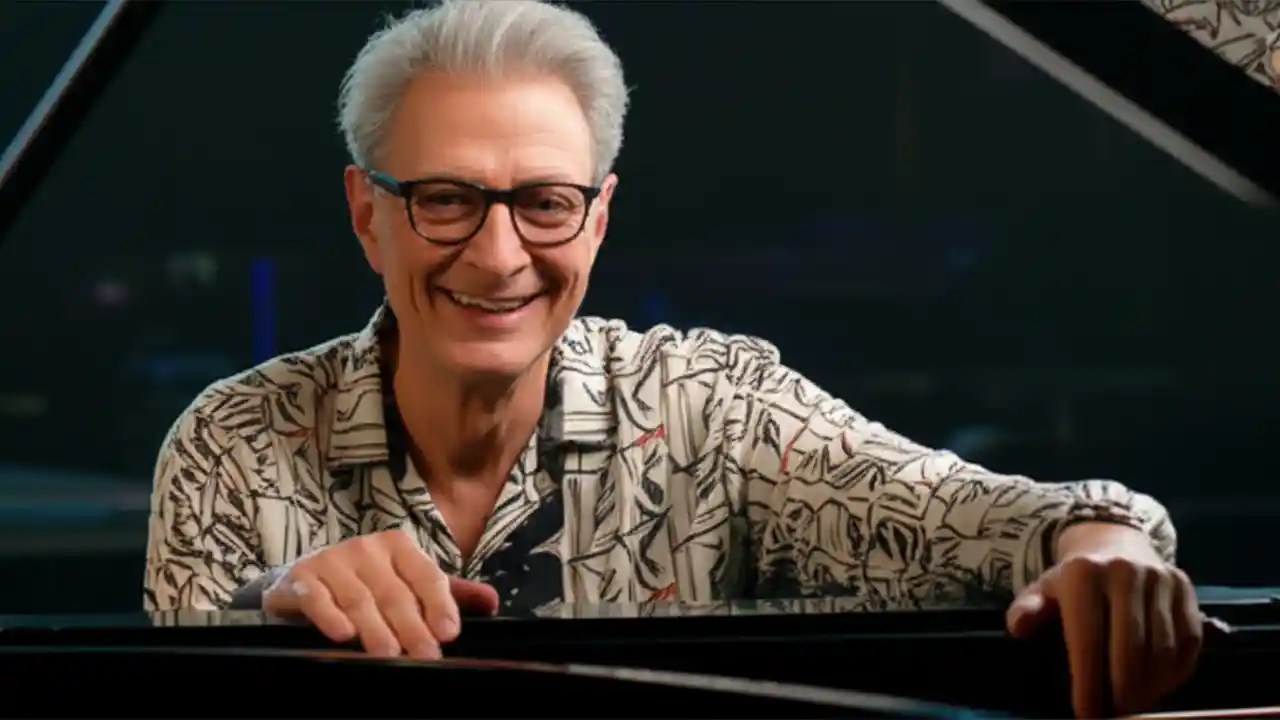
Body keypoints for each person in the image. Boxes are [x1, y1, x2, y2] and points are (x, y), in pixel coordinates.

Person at [143, 1, 1202, 716]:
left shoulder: (710, 408)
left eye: (544, 203)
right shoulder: (231, 443)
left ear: (598, 220)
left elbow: (986, 520)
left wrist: (1103, 540)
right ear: (366, 214)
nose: (499, 255)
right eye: (446, 199)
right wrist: (276, 607)